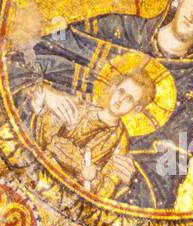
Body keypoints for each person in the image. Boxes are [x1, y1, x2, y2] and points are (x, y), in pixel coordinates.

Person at [6, 0, 193, 208]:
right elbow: (20, 58)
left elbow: (163, 181)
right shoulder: (117, 29)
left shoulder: (191, 94)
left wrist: (132, 178)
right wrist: (43, 91)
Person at [33, 68, 156, 200]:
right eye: (121, 91)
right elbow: (47, 137)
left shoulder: (120, 141)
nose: (121, 100)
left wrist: (94, 177)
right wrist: (40, 112)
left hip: (66, 194)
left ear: (135, 109)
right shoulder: (82, 108)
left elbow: (108, 186)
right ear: (114, 88)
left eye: (129, 99)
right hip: (41, 172)